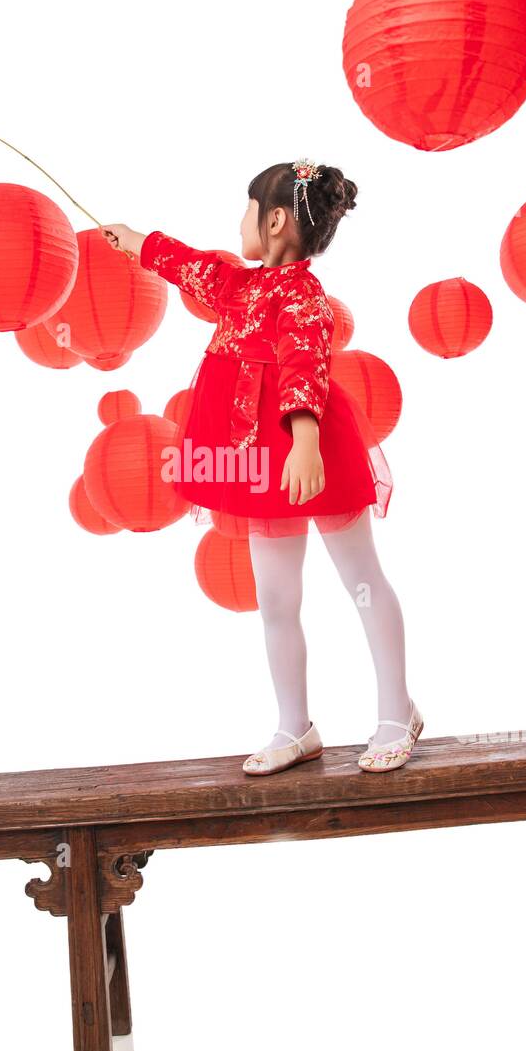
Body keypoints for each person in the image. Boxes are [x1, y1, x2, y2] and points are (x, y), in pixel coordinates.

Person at [102, 159, 421, 775]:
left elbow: (304, 362)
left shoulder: (301, 293)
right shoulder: (239, 287)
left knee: (361, 580)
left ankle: (395, 710)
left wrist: (304, 441)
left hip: (310, 450)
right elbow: (196, 266)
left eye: (247, 210)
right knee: (276, 598)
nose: (240, 222)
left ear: (274, 220)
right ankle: (293, 724)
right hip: (256, 456)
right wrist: (138, 243)